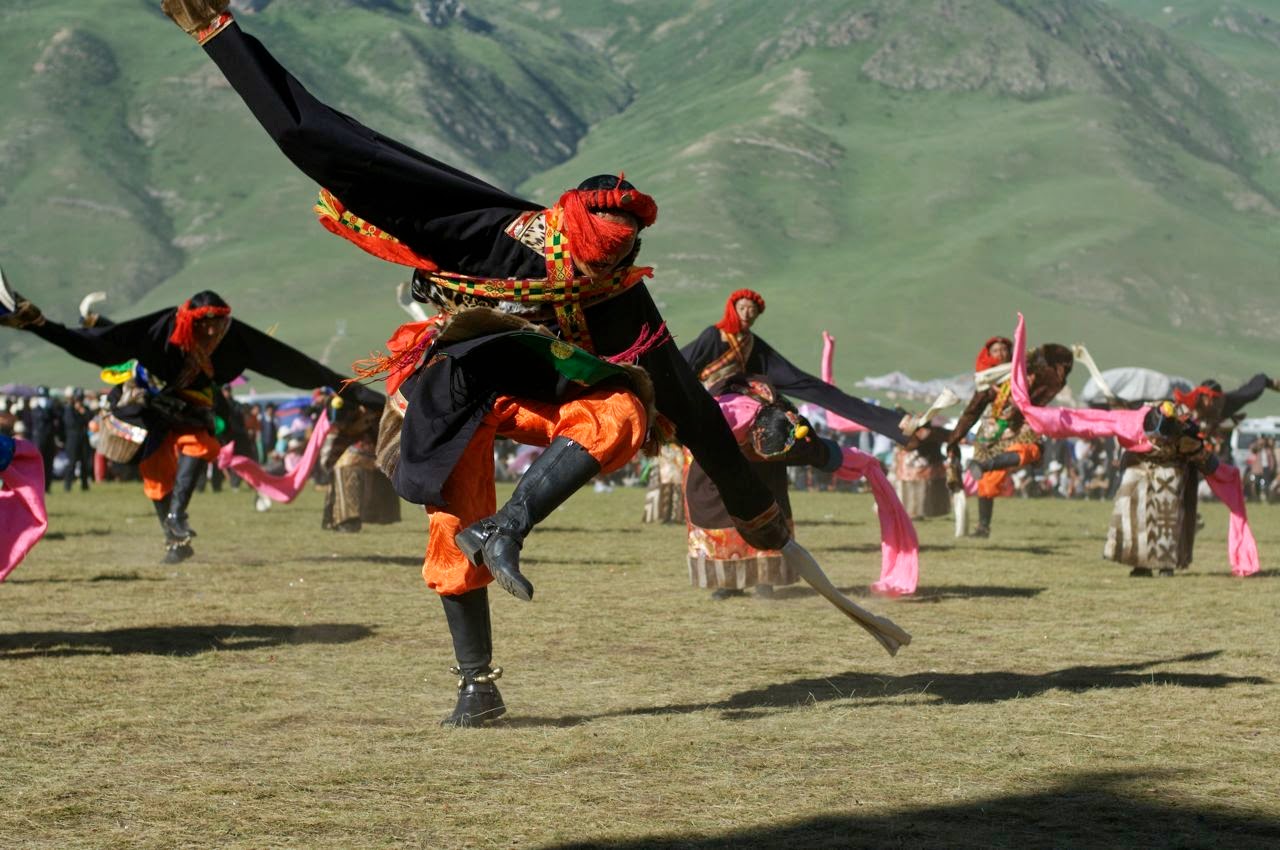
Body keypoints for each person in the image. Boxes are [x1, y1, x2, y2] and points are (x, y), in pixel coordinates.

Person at [156, 1, 900, 725]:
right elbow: (328, 140)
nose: (591, 277)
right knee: (453, 522)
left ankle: (509, 527)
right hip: (459, 383)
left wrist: (756, 513)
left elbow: (694, 407)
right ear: (563, 232)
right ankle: (478, 685)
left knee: (628, 410)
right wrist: (220, 35)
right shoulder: (490, 233)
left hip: (540, 397)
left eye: (606, 267)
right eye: (582, 263)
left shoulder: (621, 298)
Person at [0, 278, 382, 563]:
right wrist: (40, 325)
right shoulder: (162, 329)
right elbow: (101, 344)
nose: (213, 330)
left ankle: (179, 514)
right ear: (190, 320)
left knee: (201, 447)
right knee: (155, 472)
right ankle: (174, 536)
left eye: (219, 322)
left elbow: (291, 363)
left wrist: (353, 390)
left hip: (192, 406)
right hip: (148, 406)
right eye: (206, 322)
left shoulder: (233, 336)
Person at [680, 290, 914, 599]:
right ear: (732, 307)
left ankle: (765, 576)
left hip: (760, 427)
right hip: (717, 425)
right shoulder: (714, 337)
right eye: (743, 307)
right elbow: (681, 368)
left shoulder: (754, 346)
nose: (748, 313)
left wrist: (888, 422)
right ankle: (728, 582)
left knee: (766, 498)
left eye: (753, 310)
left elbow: (801, 382)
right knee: (721, 505)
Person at [945, 335, 1073, 537]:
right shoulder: (988, 381)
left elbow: (1052, 369)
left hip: (1023, 425)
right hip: (994, 430)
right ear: (989, 355)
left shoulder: (1025, 373)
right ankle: (983, 528)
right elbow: (972, 412)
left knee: (1030, 450)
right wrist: (954, 438)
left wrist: (1038, 356)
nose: (1000, 353)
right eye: (995, 350)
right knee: (986, 480)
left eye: (1004, 349)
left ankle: (985, 465)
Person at [61, 388, 94, 492]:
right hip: (73, 439)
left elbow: (90, 419)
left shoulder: (85, 409)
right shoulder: (69, 409)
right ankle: (68, 486)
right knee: (72, 462)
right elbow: (70, 423)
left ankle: (84, 485)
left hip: (84, 438)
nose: (79, 401)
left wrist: (82, 412)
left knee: (85, 462)